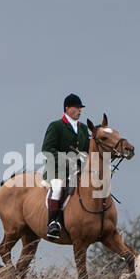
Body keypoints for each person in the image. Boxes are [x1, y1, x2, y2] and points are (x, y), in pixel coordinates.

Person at [42, 94, 91, 240]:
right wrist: (67, 159)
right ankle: (53, 223)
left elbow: (88, 149)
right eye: (76, 108)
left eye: (80, 108)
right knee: (57, 188)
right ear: (67, 108)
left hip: (77, 170)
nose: (79, 111)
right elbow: (47, 149)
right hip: (56, 169)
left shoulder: (82, 128)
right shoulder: (56, 126)